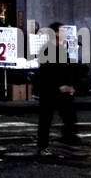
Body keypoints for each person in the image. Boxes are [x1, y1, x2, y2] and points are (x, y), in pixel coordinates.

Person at [34, 23, 81, 156]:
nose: (65, 33)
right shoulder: (48, 49)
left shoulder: (62, 48)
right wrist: (60, 86)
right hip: (49, 90)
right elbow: (47, 71)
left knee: (70, 116)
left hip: (62, 90)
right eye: (62, 31)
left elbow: (66, 69)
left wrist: (71, 85)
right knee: (46, 119)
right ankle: (43, 146)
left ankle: (68, 140)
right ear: (55, 33)